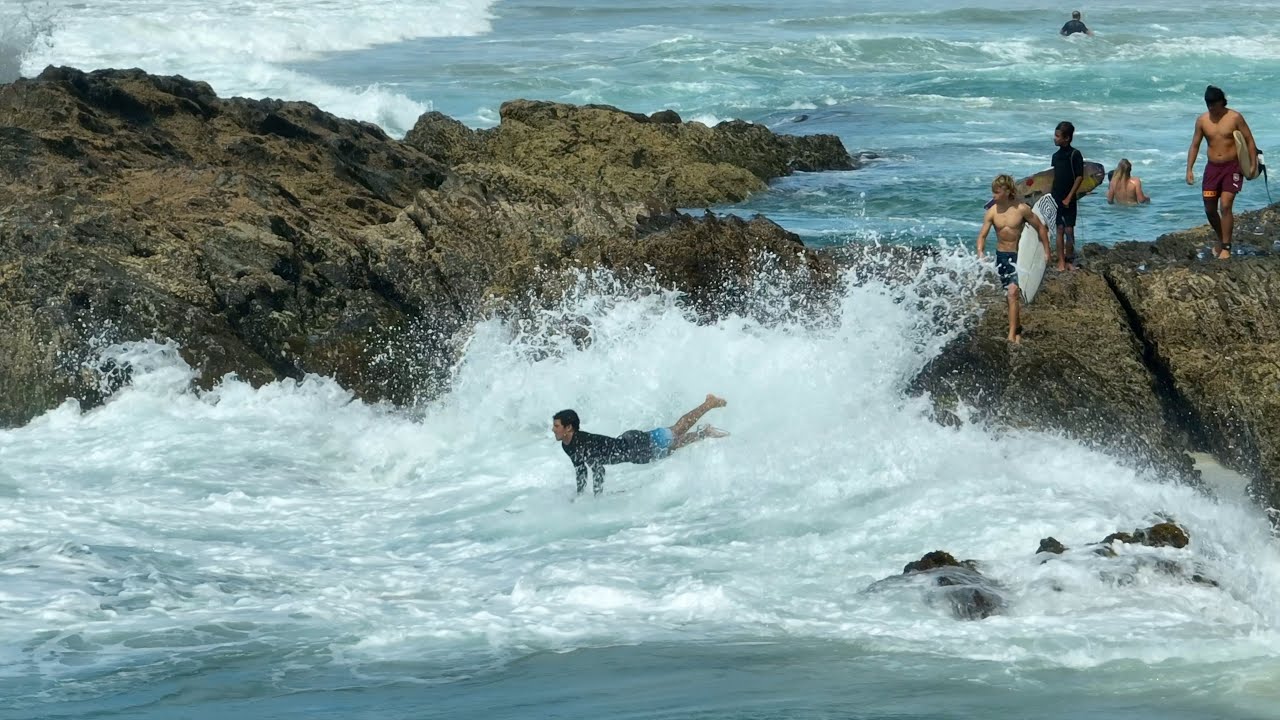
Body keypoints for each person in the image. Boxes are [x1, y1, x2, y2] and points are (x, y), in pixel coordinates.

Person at [552, 394, 729, 496]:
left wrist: (597, 498)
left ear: (568, 428)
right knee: (672, 446)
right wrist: (580, 496)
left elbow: (598, 469)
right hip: (637, 454)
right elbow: (581, 470)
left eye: (557, 426)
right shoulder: (568, 445)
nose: (553, 429)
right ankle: (704, 433)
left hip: (637, 443)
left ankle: (709, 403)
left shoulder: (583, 442)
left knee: (677, 430)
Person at [977, 174, 1051, 344]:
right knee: (1010, 295)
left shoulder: (1021, 209)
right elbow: (982, 236)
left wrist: (1046, 251)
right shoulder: (992, 212)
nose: (993, 195)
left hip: (1020, 256)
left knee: (1012, 293)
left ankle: (1011, 335)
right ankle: (1017, 329)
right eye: (993, 192)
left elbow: (1040, 228)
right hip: (1002, 257)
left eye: (997, 192)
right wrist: (980, 252)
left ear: (1007, 191)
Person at [1186, 85, 1258, 260]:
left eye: (1213, 103)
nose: (1211, 107)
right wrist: (1189, 168)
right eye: (1207, 103)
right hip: (1212, 168)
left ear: (1221, 102)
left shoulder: (1235, 117)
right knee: (1210, 208)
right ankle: (1221, 238)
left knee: (1225, 205)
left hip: (1232, 167)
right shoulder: (1202, 121)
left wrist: (1253, 164)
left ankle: (1226, 246)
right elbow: (1195, 144)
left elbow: (1249, 140)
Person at [1051, 121, 1084, 271]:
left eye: (1058, 136)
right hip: (1057, 196)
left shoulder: (1075, 154)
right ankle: (1061, 261)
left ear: (1067, 138)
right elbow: (1054, 177)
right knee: (1059, 229)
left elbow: (1079, 177)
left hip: (1069, 198)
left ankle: (1070, 260)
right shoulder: (1055, 156)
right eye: (1055, 135)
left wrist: (1070, 197)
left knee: (1069, 230)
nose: (1055, 138)